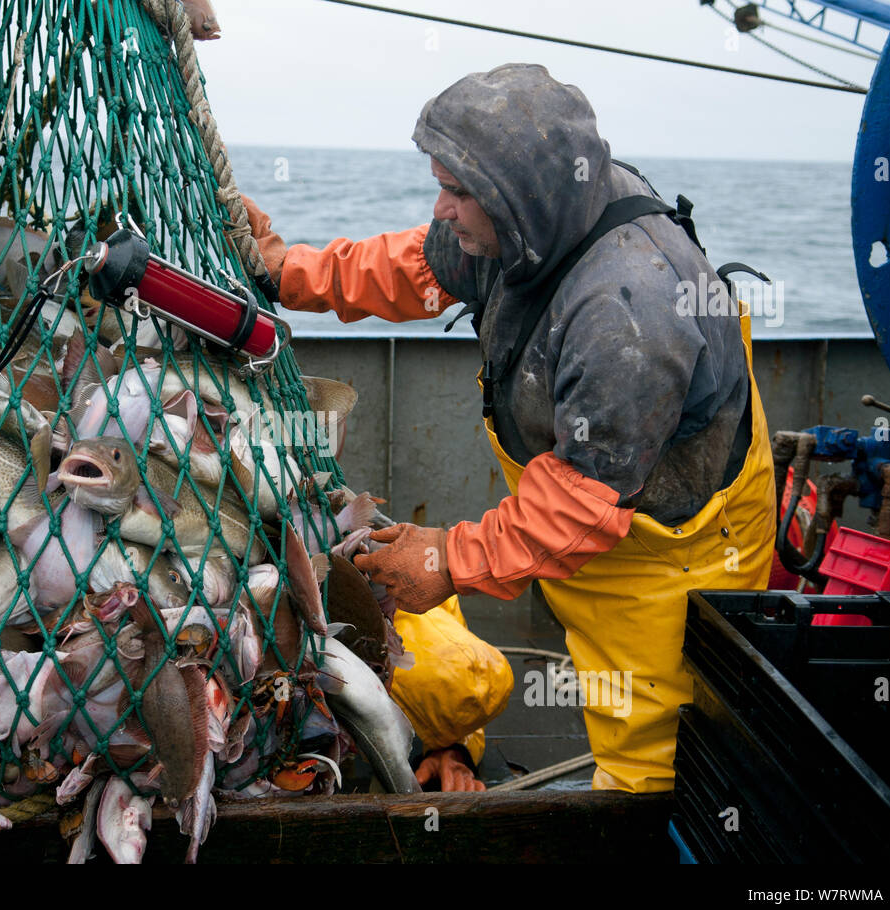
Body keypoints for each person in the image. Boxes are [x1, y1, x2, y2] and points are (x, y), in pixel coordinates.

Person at [244, 64, 776, 793]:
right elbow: (412, 268)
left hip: (668, 562)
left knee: (661, 779)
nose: (442, 207)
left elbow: (580, 506)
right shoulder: (529, 221)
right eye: (441, 183)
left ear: (514, 196)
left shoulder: (630, 315)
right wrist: (288, 271)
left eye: (458, 192)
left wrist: (446, 561)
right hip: (595, 520)